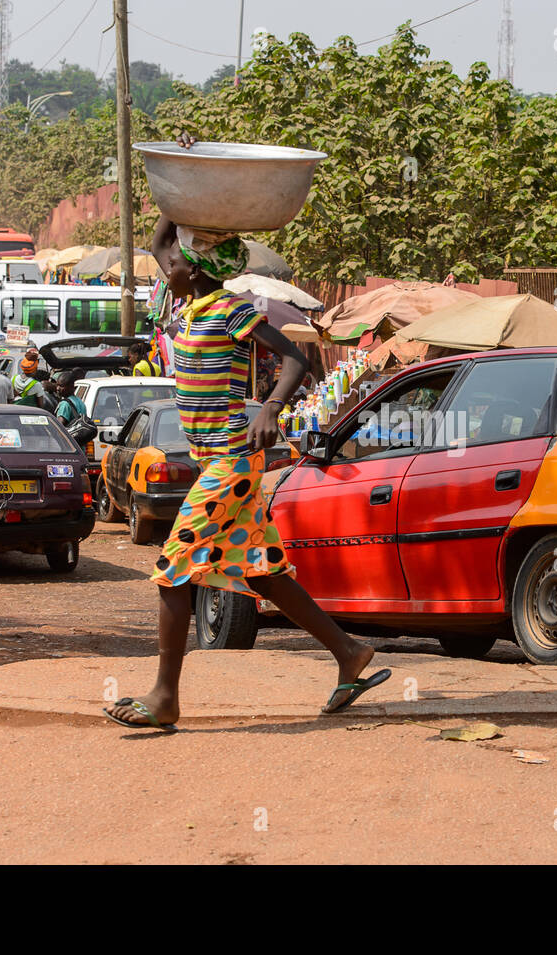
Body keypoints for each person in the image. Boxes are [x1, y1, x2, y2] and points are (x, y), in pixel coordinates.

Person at [103, 206, 390, 732]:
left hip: (235, 458)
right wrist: (182, 190)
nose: (168, 269)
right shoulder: (187, 303)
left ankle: (165, 696)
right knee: (262, 571)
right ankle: (349, 654)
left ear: (196, 270)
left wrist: (270, 407)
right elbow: (159, 240)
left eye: (176, 266)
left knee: (173, 569)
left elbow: (296, 360)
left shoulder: (232, 310)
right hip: (213, 457)